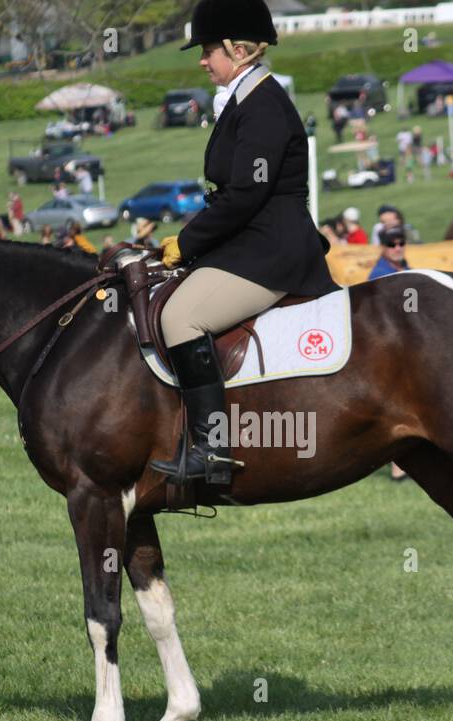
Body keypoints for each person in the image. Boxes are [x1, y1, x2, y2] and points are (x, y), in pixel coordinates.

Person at [152, 0, 339, 485]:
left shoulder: (263, 108)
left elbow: (244, 196)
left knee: (180, 317)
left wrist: (188, 241)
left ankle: (212, 451)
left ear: (237, 49)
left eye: (208, 50)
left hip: (270, 250)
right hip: (249, 242)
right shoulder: (246, 99)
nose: (201, 60)